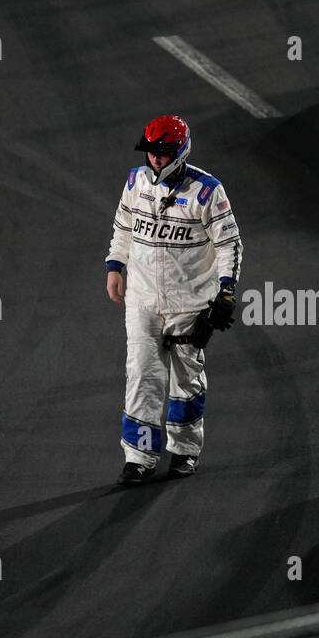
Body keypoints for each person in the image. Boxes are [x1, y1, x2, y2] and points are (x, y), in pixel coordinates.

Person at [106, 115, 242, 485]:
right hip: (143, 300)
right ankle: (140, 458)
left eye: (164, 153)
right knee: (142, 377)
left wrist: (226, 291)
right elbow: (123, 226)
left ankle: (184, 451)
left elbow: (229, 244)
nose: (156, 159)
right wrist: (115, 266)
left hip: (190, 303)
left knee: (186, 379)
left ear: (181, 151)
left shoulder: (208, 191)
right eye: (151, 152)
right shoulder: (135, 182)